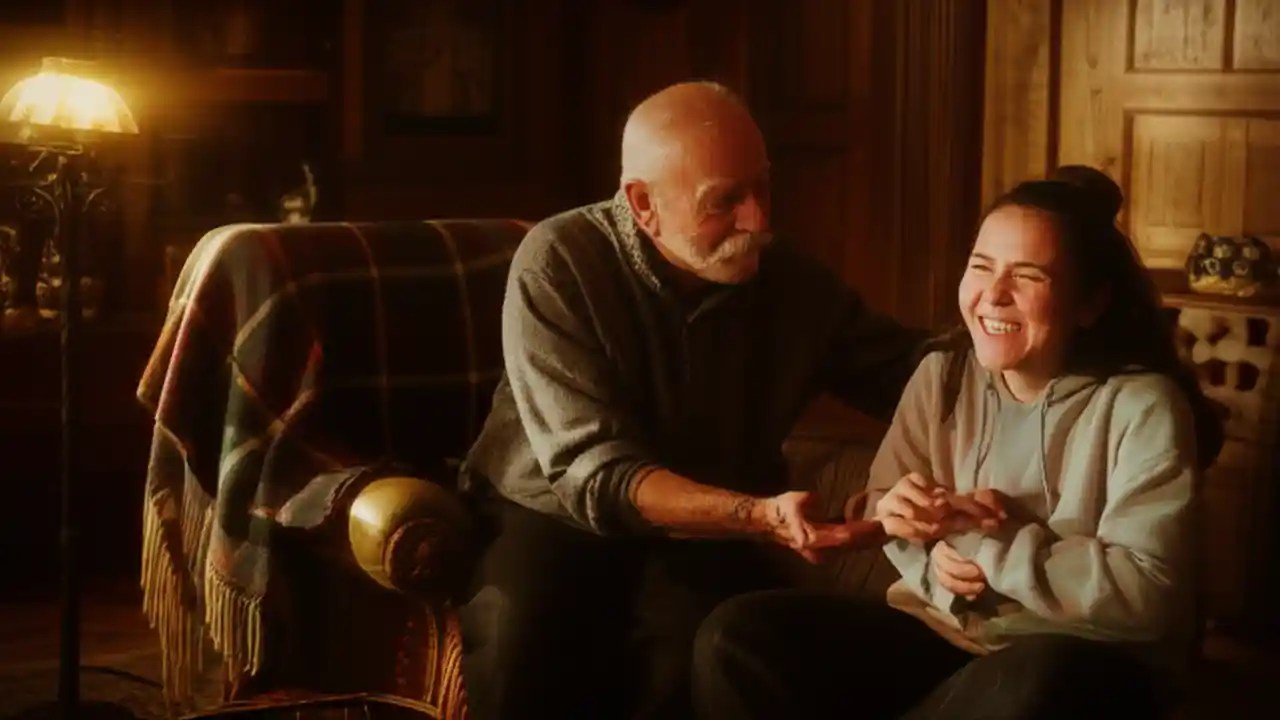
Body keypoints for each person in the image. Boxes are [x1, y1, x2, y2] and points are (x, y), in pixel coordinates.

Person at [456, 80, 924, 720]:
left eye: (762, 187)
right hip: (551, 510)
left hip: (707, 527)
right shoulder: (560, 261)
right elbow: (596, 477)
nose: (758, 220)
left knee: (722, 650)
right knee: (523, 645)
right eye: (724, 201)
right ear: (642, 203)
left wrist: (1015, 325)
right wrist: (761, 516)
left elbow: (909, 371)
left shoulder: (787, 282)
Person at [692, 166, 1224, 720]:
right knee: (738, 638)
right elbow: (883, 508)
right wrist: (907, 524)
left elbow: (1149, 593)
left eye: (1028, 277)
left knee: (1034, 681)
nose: (993, 295)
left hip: (1083, 658)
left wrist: (985, 544)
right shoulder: (941, 376)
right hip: (948, 634)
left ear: (1090, 303)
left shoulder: (1143, 405)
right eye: (981, 267)